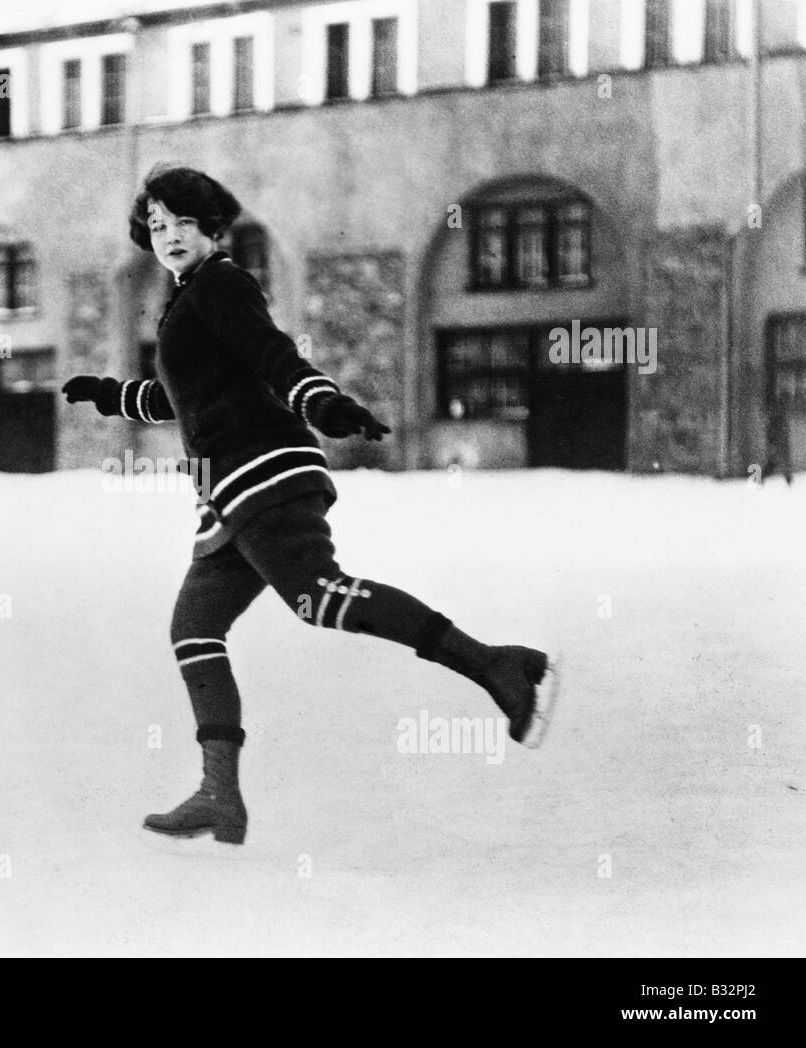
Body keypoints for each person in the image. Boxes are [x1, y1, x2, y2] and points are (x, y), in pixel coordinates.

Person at [62, 166, 558, 845]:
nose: (169, 235)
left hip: (265, 473)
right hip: (229, 494)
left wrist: (320, 401)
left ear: (212, 227)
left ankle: (493, 663)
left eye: (182, 222)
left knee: (318, 597)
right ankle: (219, 793)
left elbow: (272, 355)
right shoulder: (186, 299)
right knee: (195, 628)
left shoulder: (222, 285)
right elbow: (185, 395)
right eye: (156, 226)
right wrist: (110, 394)